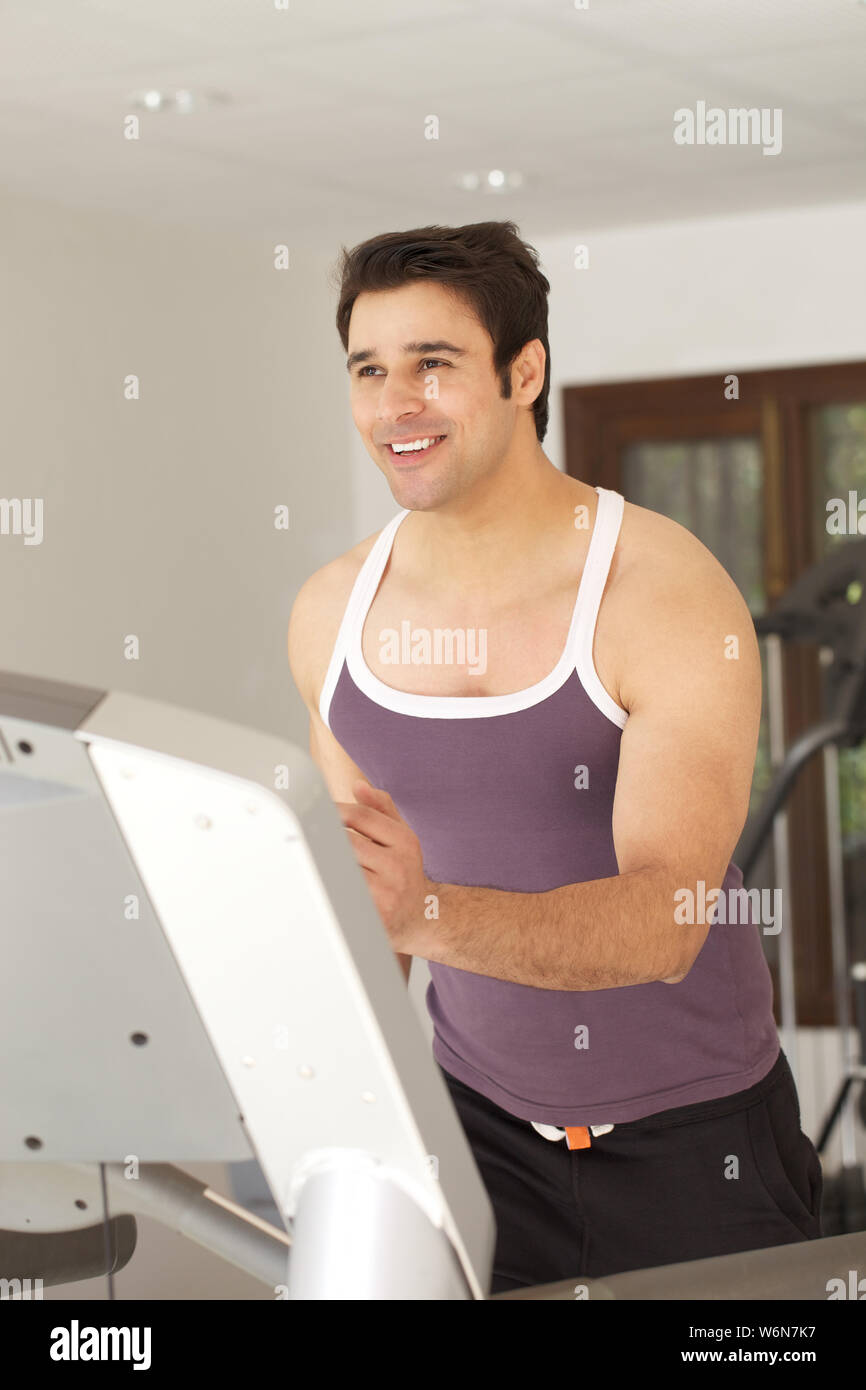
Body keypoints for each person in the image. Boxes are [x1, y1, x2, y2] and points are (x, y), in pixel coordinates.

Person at [287, 220, 823, 1294]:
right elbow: (371, 902)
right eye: (369, 370)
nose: (395, 404)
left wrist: (426, 913)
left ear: (522, 371)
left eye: (432, 365)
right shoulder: (331, 614)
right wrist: (338, 1125)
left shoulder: (658, 592)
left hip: (695, 1147)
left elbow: (669, 918)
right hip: (476, 1135)